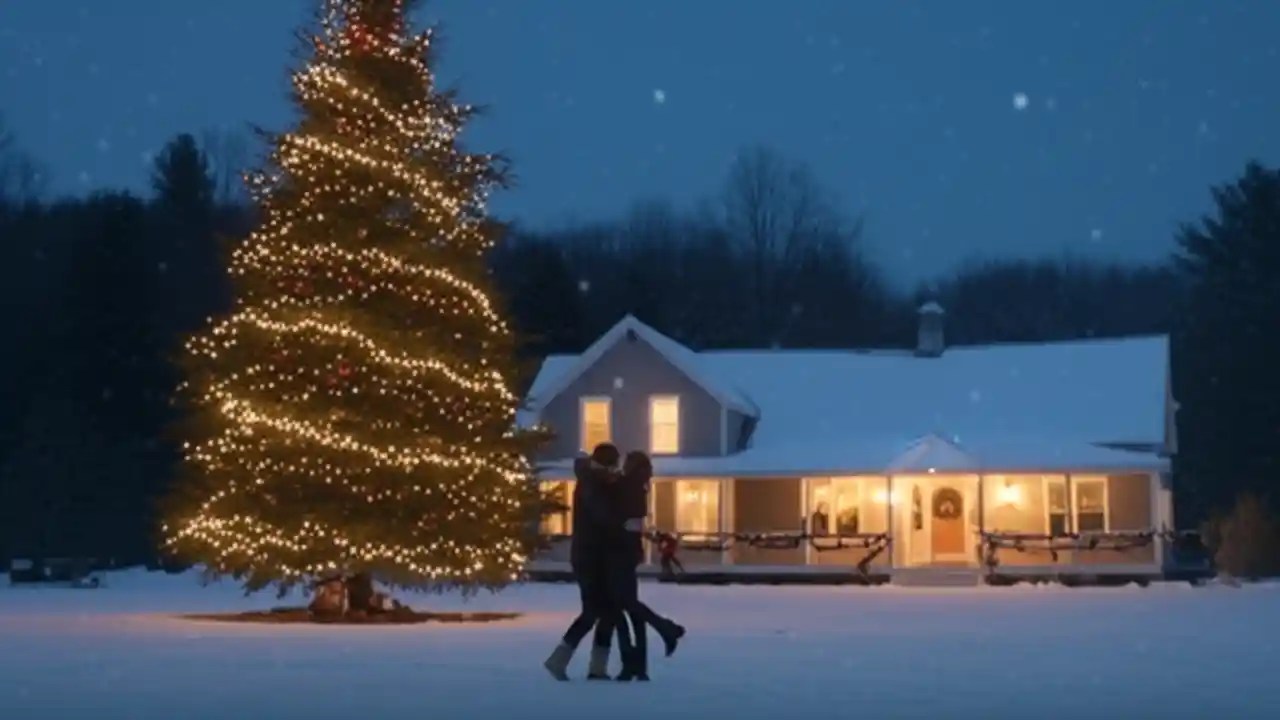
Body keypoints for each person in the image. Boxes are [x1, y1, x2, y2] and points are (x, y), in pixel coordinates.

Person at [542, 443, 632, 681]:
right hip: (589, 558)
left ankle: (597, 667)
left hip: (600, 556)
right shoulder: (591, 485)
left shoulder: (597, 483)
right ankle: (559, 659)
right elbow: (605, 517)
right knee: (593, 611)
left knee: (609, 611)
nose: (616, 471)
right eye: (613, 466)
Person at [605, 450, 686, 682]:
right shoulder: (640, 488)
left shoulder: (625, 486)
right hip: (630, 552)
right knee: (631, 606)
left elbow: (620, 519)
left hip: (619, 552)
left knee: (625, 603)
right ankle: (639, 664)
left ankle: (665, 630)